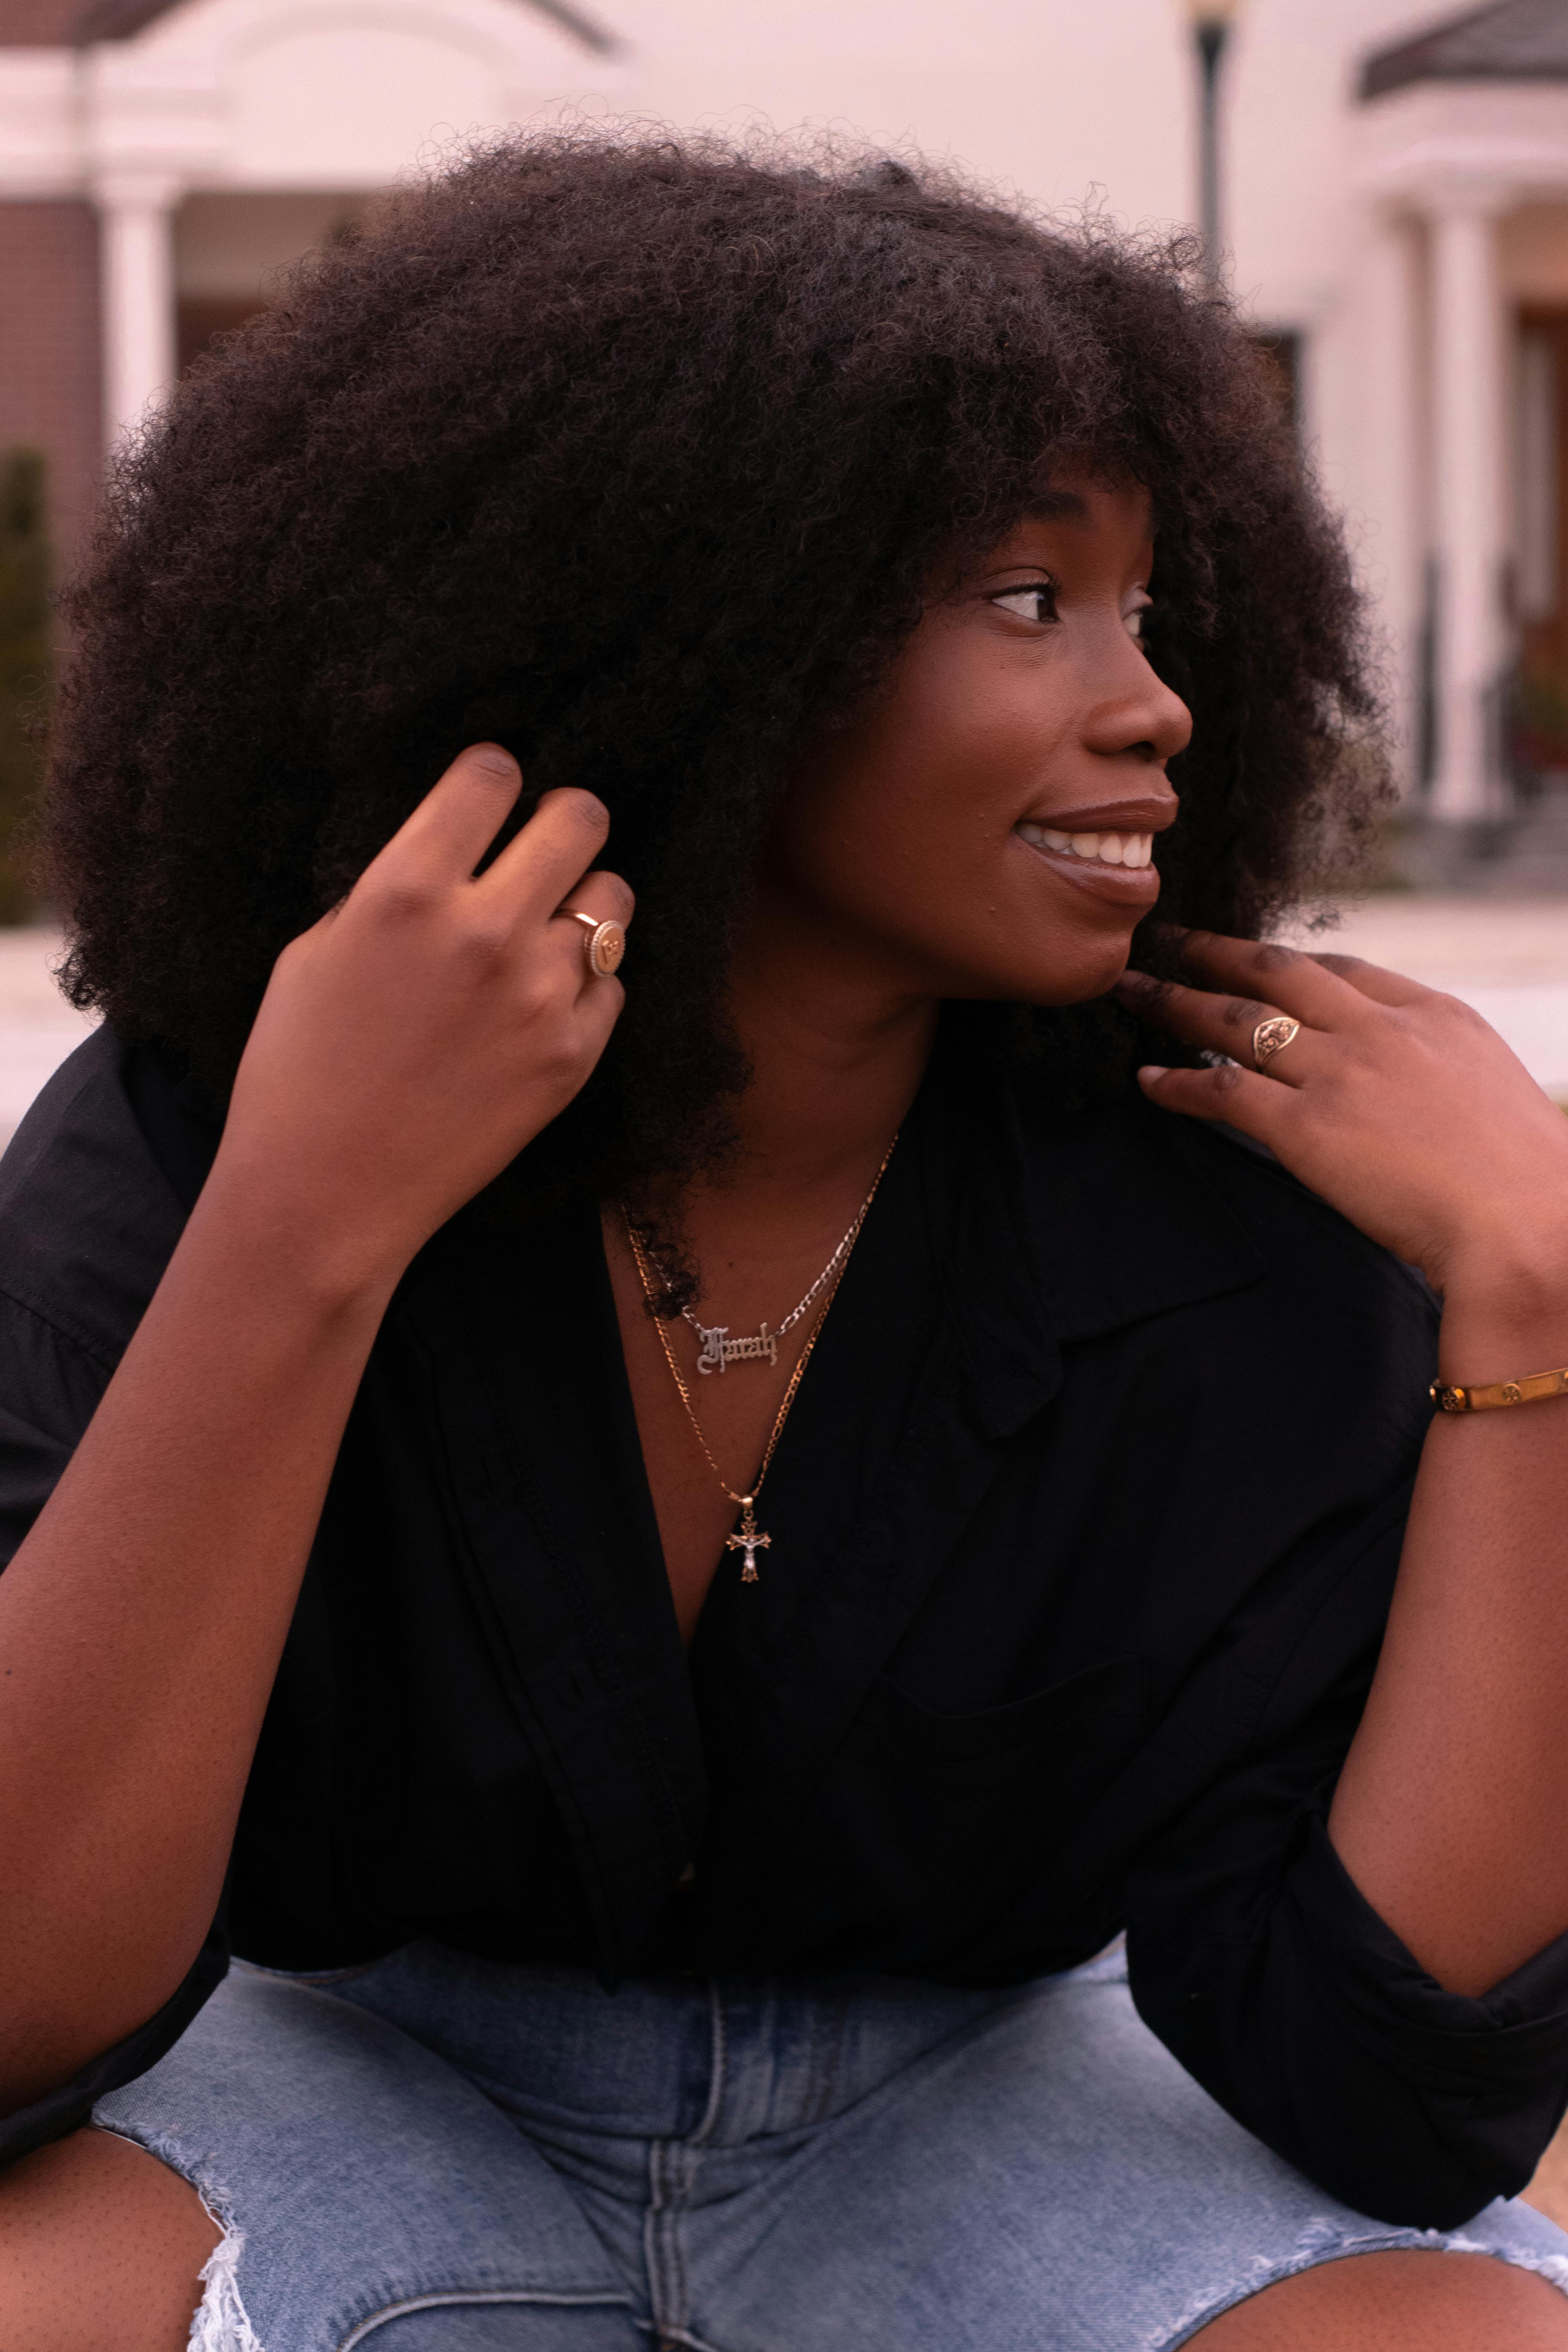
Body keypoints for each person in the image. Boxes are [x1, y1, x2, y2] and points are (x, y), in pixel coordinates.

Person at [3, 131, 1568, 2352]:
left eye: (1155, 610)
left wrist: (1538, 1295)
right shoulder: (217, 1123)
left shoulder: (1222, 1187)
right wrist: (302, 1220)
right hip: (343, 2082)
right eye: (1034, 602)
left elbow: (1394, 2092)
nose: (1155, 704)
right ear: (692, 639)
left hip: (996, 2114)